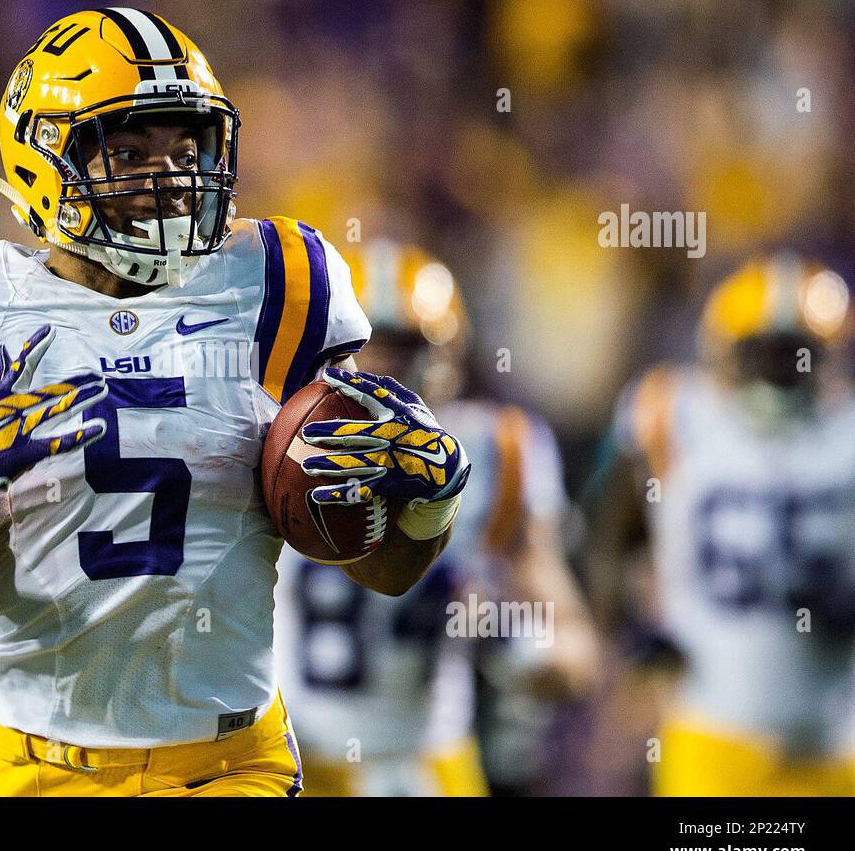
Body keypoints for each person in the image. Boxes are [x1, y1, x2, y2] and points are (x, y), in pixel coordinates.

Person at [0, 9, 469, 796]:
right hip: (37, 769)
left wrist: (427, 506)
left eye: (186, 149)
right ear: (46, 159)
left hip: (229, 766)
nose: (168, 177)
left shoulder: (280, 281)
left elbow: (380, 568)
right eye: (130, 151)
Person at [274, 242, 597, 796]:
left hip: (430, 764)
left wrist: (517, 642)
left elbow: (573, 648)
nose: (383, 369)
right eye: (366, 346)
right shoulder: (277, 444)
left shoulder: (498, 449)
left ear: (449, 357)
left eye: (406, 348)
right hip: (300, 761)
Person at [588, 255, 855, 795]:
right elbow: (611, 537)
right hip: (711, 726)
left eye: (795, 357)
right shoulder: (670, 413)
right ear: (722, 353)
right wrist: (634, 633)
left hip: (837, 732)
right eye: (764, 356)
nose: (780, 373)